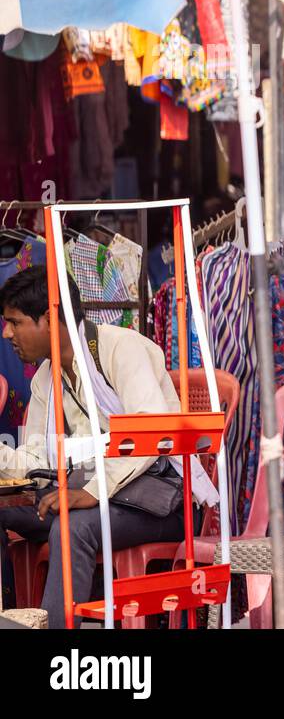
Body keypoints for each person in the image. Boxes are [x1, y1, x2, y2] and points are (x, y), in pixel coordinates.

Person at [0, 266, 208, 627]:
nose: (7, 333)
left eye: (15, 322)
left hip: (161, 503)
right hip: (92, 495)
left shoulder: (121, 348)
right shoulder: (47, 379)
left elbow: (152, 433)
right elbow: (34, 458)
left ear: (49, 319)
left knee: (72, 526)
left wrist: (92, 492)